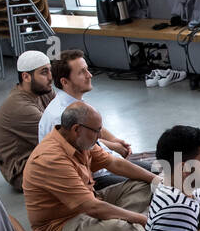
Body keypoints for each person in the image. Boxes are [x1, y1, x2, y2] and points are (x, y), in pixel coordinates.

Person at [23, 102, 157, 231]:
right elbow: (91, 207)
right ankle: (124, 228)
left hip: (92, 201)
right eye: (97, 131)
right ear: (76, 130)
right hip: (63, 225)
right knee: (118, 228)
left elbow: (114, 163)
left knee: (144, 185)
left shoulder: (80, 140)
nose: (100, 136)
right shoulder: (51, 159)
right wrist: (141, 219)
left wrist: (156, 180)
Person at [36, 49, 152, 185]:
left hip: (105, 164)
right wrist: (115, 147)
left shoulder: (73, 101)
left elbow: (94, 128)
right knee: (147, 185)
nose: (89, 75)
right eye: (81, 72)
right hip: (93, 177)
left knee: (158, 171)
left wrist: (115, 140)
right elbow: (97, 155)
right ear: (65, 82)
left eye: (87, 69)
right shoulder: (61, 116)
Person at [0, 49, 56, 192]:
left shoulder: (44, 90)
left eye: (50, 71)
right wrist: (111, 147)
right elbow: (66, 136)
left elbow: (73, 118)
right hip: (22, 172)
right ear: (26, 76)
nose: (51, 77)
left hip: (41, 156)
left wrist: (114, 142)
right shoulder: (20, 107)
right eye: (44, 72)